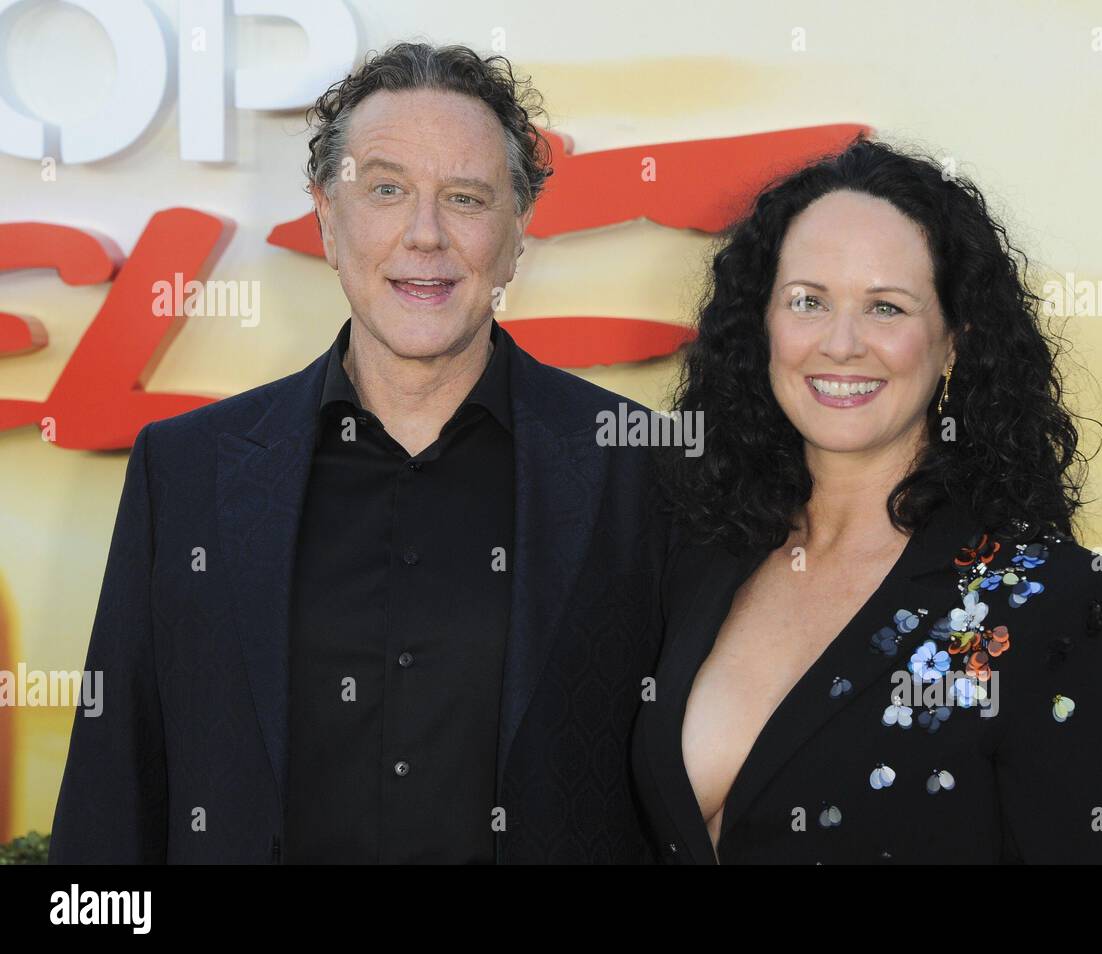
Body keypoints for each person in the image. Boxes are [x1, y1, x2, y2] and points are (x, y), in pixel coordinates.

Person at [49, 42, 667, 864]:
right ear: (326, 221)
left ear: (518, 234)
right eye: (385, 190)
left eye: (466, 198)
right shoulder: (188, 471)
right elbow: (113, 792)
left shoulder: (636, 471)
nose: (424, 235)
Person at [632, 137, 1102, 864]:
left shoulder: (1054, 606)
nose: (841, 344)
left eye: (886, 308)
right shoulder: (692, 552)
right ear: (763, 324)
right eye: (808, 301)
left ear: (954, 344)